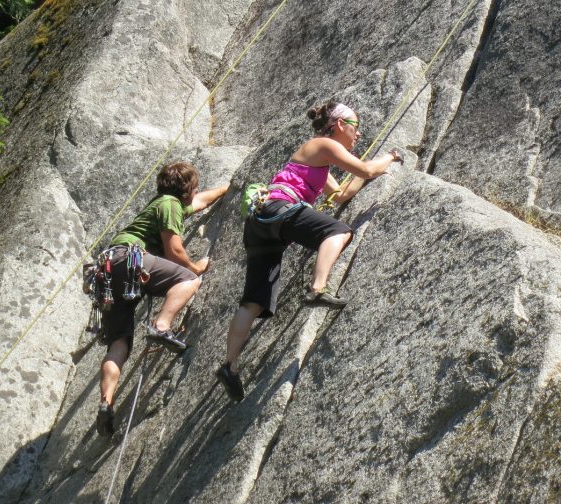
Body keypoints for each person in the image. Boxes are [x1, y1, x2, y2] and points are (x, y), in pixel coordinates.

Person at [216, 101, 402, 402]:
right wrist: (390, 157)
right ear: (340, 125)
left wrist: (368, 173)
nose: (358, 133)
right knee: (339, 231)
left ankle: (230, 366)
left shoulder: (319, 157)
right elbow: (367, 169)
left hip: (262, 221)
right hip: (280, 209)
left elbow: (340, 193)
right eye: (355, 126)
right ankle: (317, 288)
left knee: (253, 301)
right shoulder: (324, 145)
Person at [94, 161, 227, 435]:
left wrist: (227, 187)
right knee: (188, 280)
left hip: (109, 271)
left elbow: (200, 201)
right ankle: (161, 326)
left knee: (119, 343)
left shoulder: (166, 203)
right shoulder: (169, 204)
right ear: (186, 189)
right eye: (194, 187)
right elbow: (174, 250)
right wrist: (196, 267)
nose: (197, 191)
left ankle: (106, 402)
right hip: (130, 259)